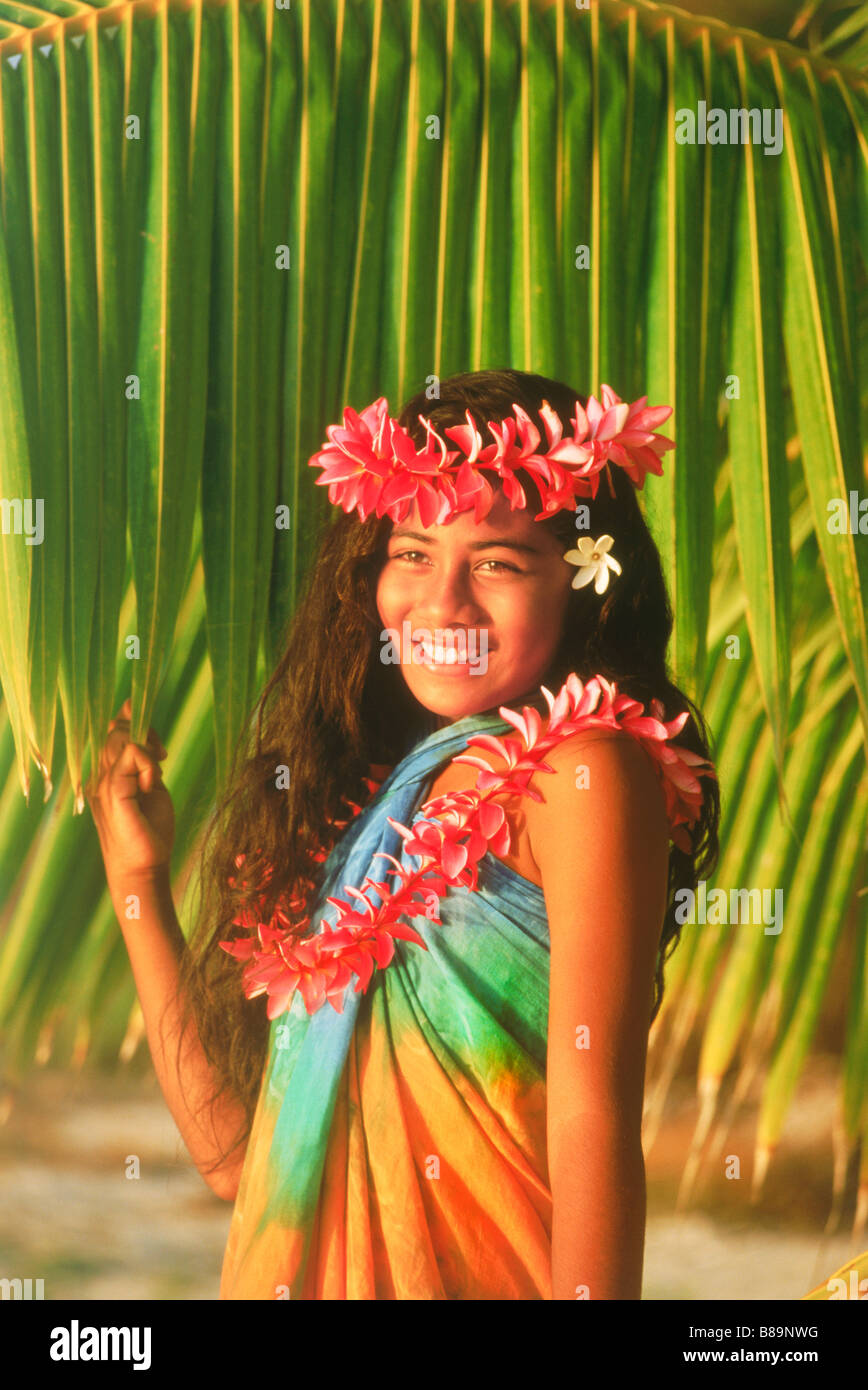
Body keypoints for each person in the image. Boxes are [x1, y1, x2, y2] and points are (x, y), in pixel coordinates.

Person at [88, 368, 720, 1300]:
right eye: (412, 553)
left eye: (498, 562)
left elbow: (593, 1119)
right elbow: (239, 1161)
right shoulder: (375, 810)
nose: (443, 604)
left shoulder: (584, 771)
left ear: (585, 583)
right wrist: (137, 883)